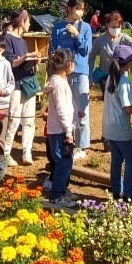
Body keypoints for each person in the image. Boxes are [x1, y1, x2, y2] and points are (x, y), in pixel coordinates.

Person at [50, 0, 93, 160]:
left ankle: (82, 146)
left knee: (82, 109)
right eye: (77, 8)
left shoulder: (86, 27)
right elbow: (53, 51)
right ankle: (65, 140)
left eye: (82, 9)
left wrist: (77, 35)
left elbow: (85, 51)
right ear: (69, 8)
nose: (79, 12)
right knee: (64, 108)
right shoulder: (58, 27)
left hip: (80, 71)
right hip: (61, 74)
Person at [0, 10, 41, 165]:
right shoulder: (8, 39)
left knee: (29, 120)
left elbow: (23, 62)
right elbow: (10, 62)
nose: (29, 24)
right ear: (22, 22)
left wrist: (33, 60)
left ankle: (26, 152)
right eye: (28, 21)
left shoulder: (23, 42)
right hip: (16, 85)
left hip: (28, 85)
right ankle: (7, 153)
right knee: (14, 120)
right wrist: (25, 57)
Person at [102, 45, 132, 201]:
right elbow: (128, 109)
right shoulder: (124, 81)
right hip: (120, 128)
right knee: (131, 159)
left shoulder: (111, 78)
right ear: (130, 62)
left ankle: (116, 191)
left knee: (116, 160)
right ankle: (128, 193)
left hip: (109, 127)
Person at [44, 48, 77, 208]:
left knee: (65, 161)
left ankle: (62, 189)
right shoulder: (58, 83)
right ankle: (57, 195)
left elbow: (67, 106)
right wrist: (68, 130)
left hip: (61, 128)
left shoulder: (58, 81)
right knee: (63, 162)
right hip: (60, 130)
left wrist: (77, 114)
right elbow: (61, 109)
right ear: (68, 64)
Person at [90, 9, 132, 83]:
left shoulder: (124, 38)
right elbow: (91, 58)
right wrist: (90, 76)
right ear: (107, 25)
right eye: (113, 27)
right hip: (104, 76)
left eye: (118, 27)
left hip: (121, 75)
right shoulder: (99, 40)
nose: (115, 29)